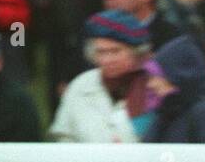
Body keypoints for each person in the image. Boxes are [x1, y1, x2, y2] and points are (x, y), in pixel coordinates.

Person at [48, 11, 146, 144]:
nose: (108, 60)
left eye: (115, 51)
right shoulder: (81, 86)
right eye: (101, 52)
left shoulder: (150, 87)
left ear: (135, 53)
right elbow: (64, 138)